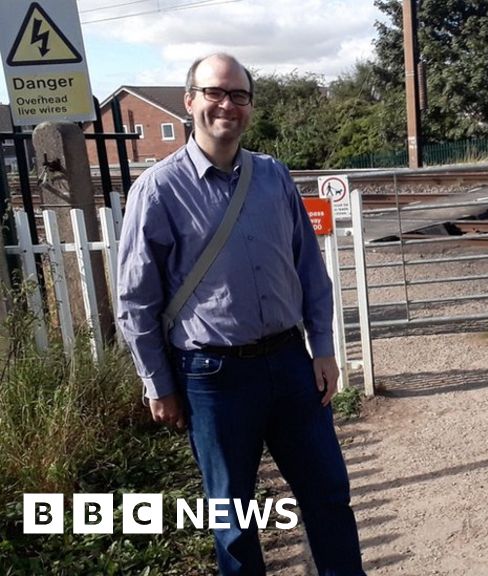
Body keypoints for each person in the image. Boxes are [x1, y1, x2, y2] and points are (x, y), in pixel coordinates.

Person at [116, 53, 364, 575]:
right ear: (189, 102)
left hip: (291, 365)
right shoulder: (157, 190)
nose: (227, 104)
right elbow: (136, 299)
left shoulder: (273, 177)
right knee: (233, 518)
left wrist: (322, 348)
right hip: (213, 377)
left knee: (328, 495)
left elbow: (309, 269)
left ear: (250, 106)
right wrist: (157, 383)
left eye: (239, 95)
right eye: (215, 93)